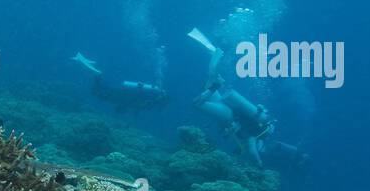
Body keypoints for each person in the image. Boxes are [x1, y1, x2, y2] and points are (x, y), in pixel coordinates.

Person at [188, 28, 275, 165]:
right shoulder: (253, 136)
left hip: (229, 109)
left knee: (210, 80)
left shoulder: (256, 128)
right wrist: (259, 163)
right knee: (197, 103)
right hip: (229, 115)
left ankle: (215, 53)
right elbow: (252, 151)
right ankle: (216, 84)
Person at [72, 52, 168, 111]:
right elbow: (135, 104)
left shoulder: (152, 97)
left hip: (123, 93)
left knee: (103, 91)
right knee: (97, 93)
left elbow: (135, 102)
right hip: (122, 96)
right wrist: (123, 107)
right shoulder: (151, 102)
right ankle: (97, 74)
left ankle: (96, 73)